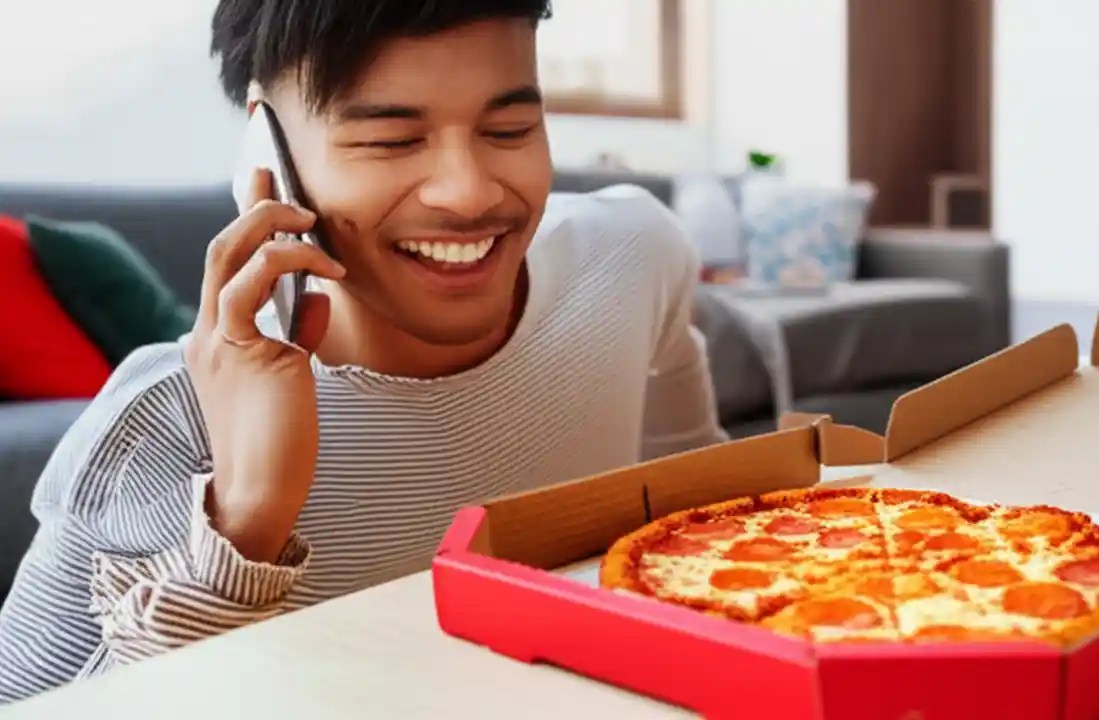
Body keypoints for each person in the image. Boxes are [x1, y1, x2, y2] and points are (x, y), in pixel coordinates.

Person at [0, 0, 727, 703]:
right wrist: (244, 522)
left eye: (509, 128)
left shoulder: (633, 254)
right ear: (270, 154)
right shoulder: (169, 420)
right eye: (391, 141)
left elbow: (705, 519)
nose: (468, 193)